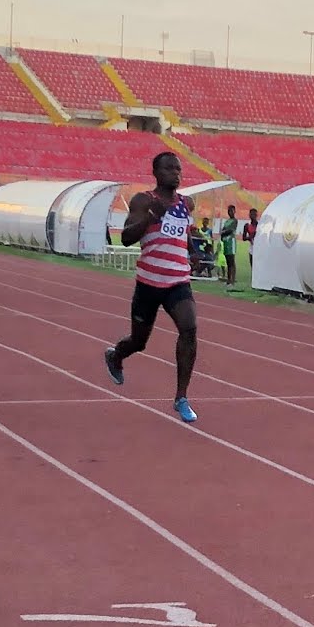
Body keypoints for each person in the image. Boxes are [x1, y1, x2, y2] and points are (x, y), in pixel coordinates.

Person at [103, 151, 201, 423]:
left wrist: (192, 252)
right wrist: (149, 217)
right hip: (148, 282)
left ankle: (181, 397)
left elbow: (182, 232)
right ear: (156, 173)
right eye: (169, 169)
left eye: (179, 169)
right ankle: (117, 355)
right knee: (139, 341)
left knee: (189, 329)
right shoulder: (144, 200)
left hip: (178, 282)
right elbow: (125, 238)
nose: (176, 174)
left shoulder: (186, 203)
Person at [220, 205, 238, 287]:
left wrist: (223, 232)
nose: (230, 212)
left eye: (231, 211)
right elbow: (223, 230)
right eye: (229, 211)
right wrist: (223, 233)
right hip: (225, 242)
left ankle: (232, 281)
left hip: (231, 242)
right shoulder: (227, 221)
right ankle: (228, 280)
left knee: (232, 261)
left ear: (234, 211)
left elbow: (230, 230)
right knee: (228, 261)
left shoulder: (235, 221)